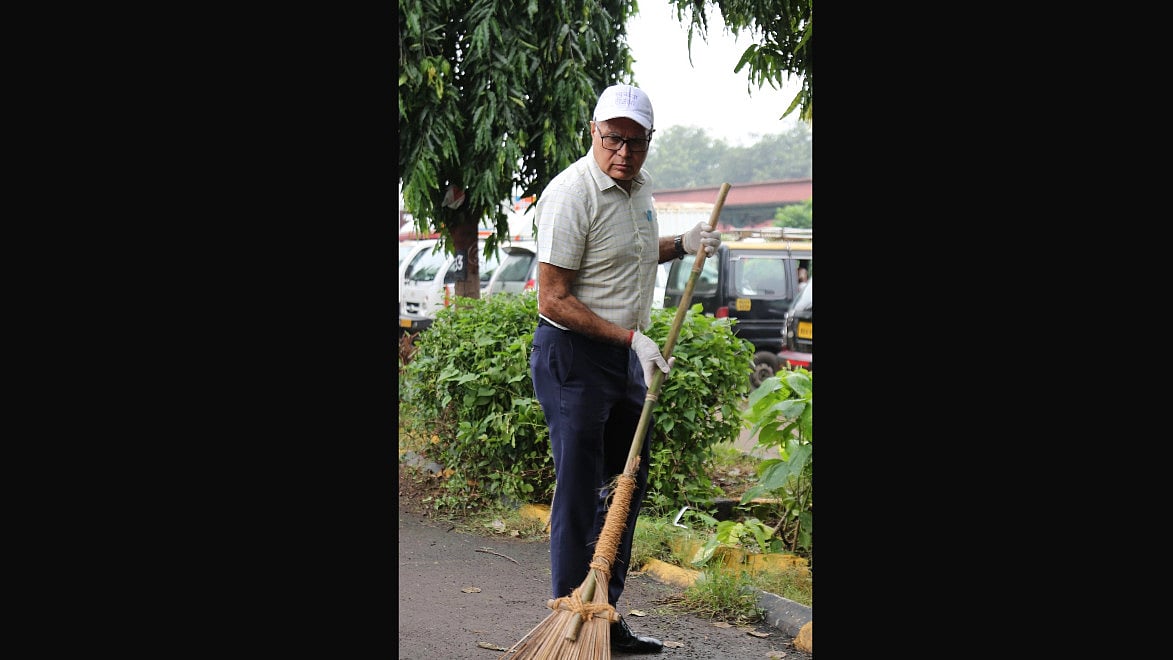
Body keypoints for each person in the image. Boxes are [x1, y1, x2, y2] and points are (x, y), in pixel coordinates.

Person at [529, 83, 721, 654]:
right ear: (594, 131)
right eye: (614, 139)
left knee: (624, 490)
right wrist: (631, 338)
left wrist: (682, 244)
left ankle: (606, 617)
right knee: (581, 492)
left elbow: (628, 256)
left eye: (637, 142)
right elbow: (553, 298)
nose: (624, 152)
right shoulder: (571, 194)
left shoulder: (638, 192)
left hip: (624, 358)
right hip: (574, 357)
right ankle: (572, 623)